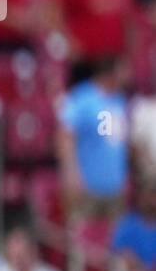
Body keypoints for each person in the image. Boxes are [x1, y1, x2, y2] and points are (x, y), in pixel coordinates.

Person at [56, 57, 131, 220]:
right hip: (87, 186)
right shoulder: (82, 98)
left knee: (114, 240)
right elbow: (65, 137)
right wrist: (72, 175)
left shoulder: (120, 100)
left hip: (115, 187)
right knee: (84, 238)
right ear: (110, 73)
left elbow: (119, 144)